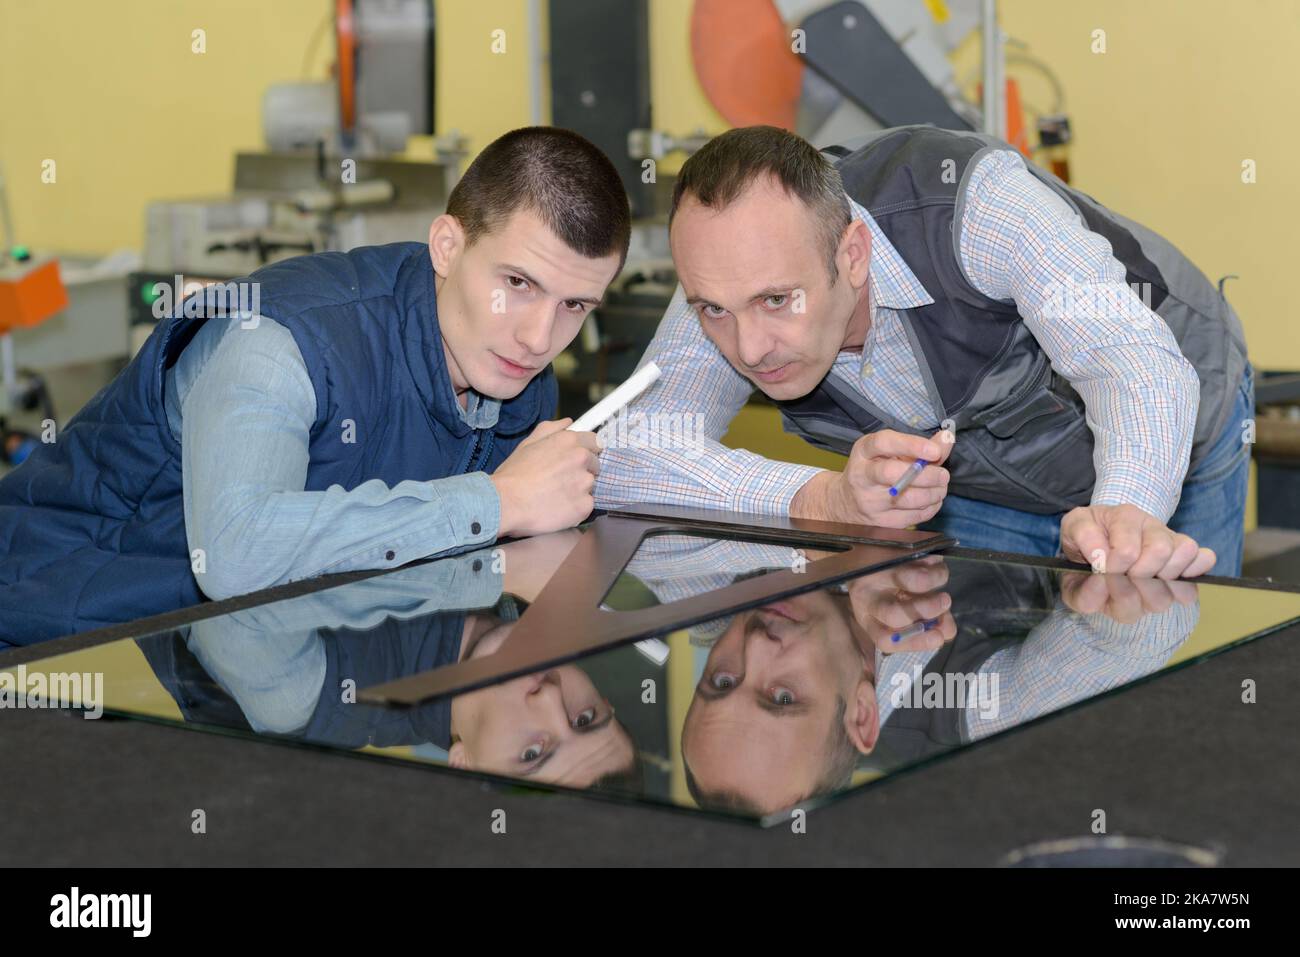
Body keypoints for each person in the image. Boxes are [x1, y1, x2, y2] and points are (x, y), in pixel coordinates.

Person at [0, 126, 630, 646]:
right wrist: (497, 502)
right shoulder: (277, 340)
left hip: (219, 667)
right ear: (446, 246)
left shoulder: (518, 382)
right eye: (517, 284)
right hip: (49, 648)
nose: (539, 337)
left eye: (576, 305)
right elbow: (236, 554)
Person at [595, 125, 1253, 581]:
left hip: (1179, 417)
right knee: (1002, 726)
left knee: (1170, 681)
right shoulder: (731, 274)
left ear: (853, 253)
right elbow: (626, 456)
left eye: (777, 301)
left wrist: (1129, 511)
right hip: (980, 488)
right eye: (712, 309)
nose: (748, 347)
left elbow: (1128, 358)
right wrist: (825, 499)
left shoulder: (977, 206)